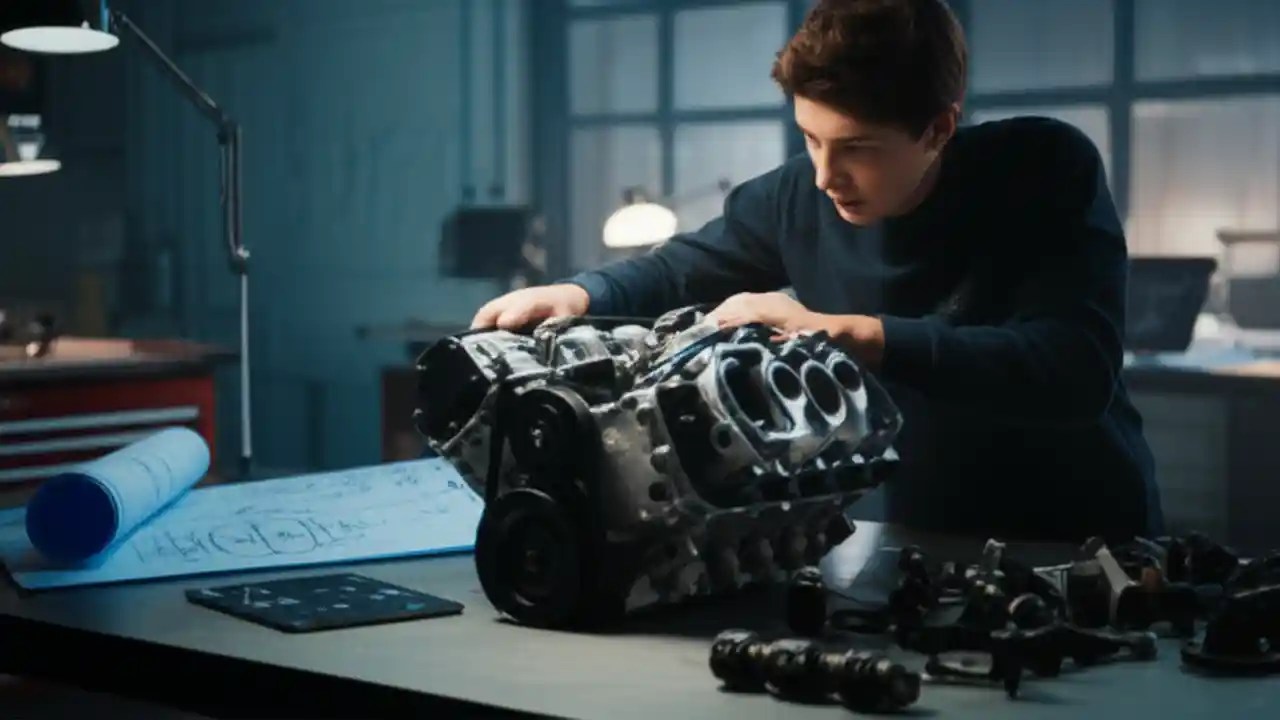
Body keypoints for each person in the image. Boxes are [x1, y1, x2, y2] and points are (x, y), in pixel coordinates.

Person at [469, 0, 1160, 543]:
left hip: (1082, 540)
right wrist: (580, 292)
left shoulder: (1042, 169)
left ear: (940, 129)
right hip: (917, 534)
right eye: (810, 137)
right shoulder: (796, 195)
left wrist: (849, 334)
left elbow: (1074, 368)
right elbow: (685, 268)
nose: (827, 175)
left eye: (857, 147)